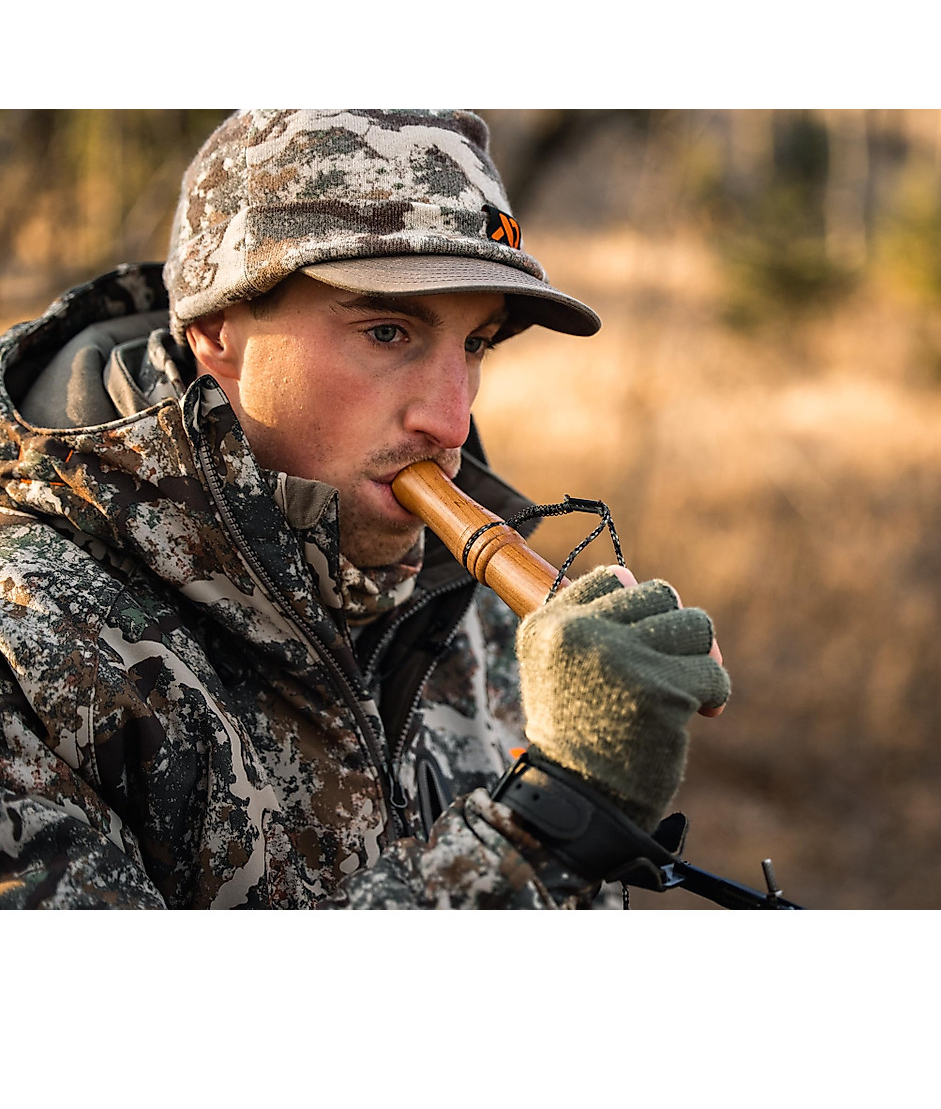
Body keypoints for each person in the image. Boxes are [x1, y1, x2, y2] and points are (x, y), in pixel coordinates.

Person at [0, 109, 729, 909]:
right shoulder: (25, 644)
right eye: (387, 331)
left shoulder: (472, 608)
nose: (451, 422)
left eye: (476, 343)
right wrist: (550, 827)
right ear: (216, 328)